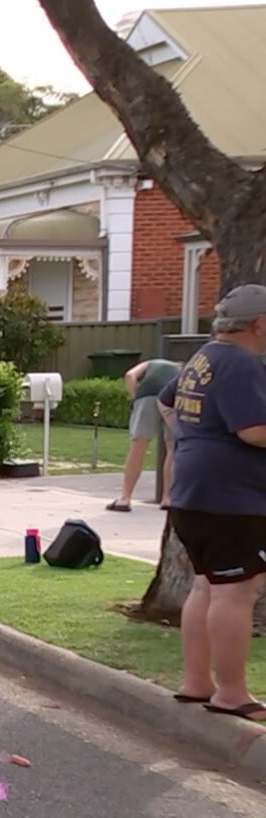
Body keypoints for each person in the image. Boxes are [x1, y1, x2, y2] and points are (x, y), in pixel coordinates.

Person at [156, 283, 266, 722]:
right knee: (237, 592)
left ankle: (197, 682)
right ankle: (232, 693)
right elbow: (254, 430)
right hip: (231, 499)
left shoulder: (203, 358)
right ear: (260, 324)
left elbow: (167, 403)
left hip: (193, 492)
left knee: (208, 585)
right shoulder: (241, 364)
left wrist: (193, 440)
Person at [108, 352, 182, 512]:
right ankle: (168, 498)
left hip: (147, 395)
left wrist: (136, 396)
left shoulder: (151, 363)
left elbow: (129, 375)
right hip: (174, 399)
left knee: (138, 446)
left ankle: (125, 499)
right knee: (173, 447)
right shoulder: (181, 370)